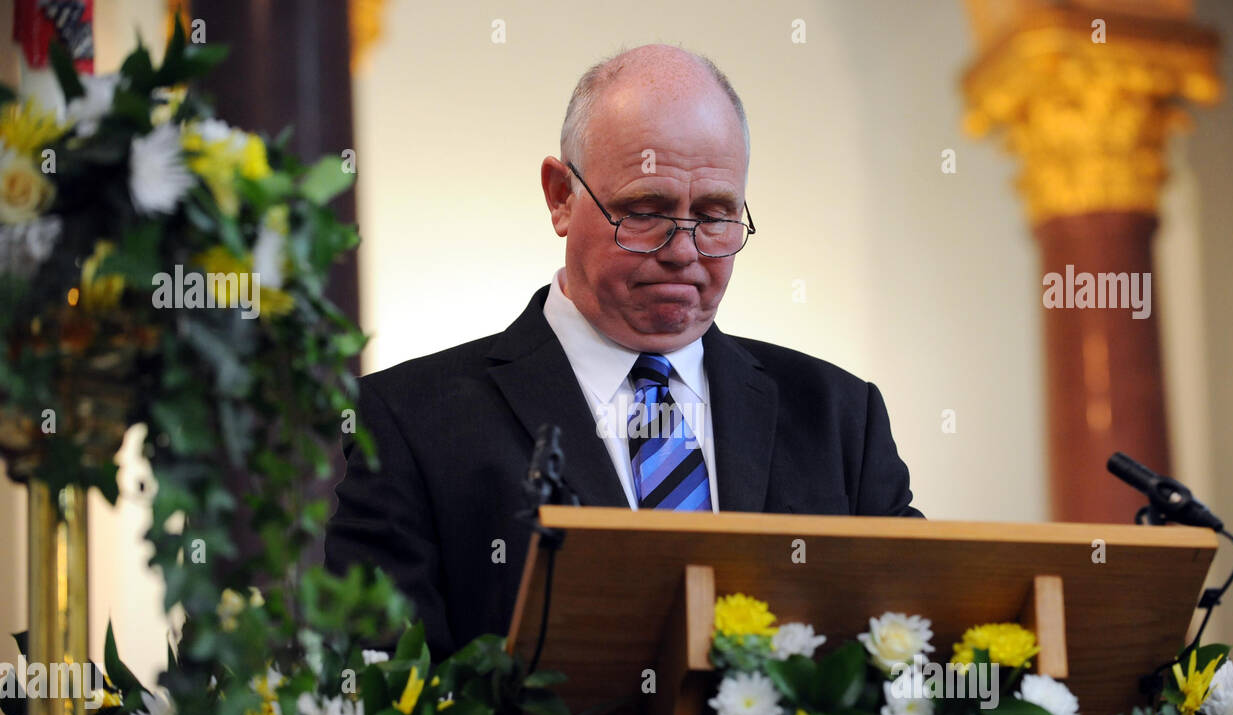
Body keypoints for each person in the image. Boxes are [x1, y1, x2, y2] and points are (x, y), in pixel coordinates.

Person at [324, 44, 922, 659]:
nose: (684, 251)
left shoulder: (840, 416)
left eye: (716, 215)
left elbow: (923, 640)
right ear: (560, 196)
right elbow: (380, 686)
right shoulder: (413, 420)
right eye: (645, 211)